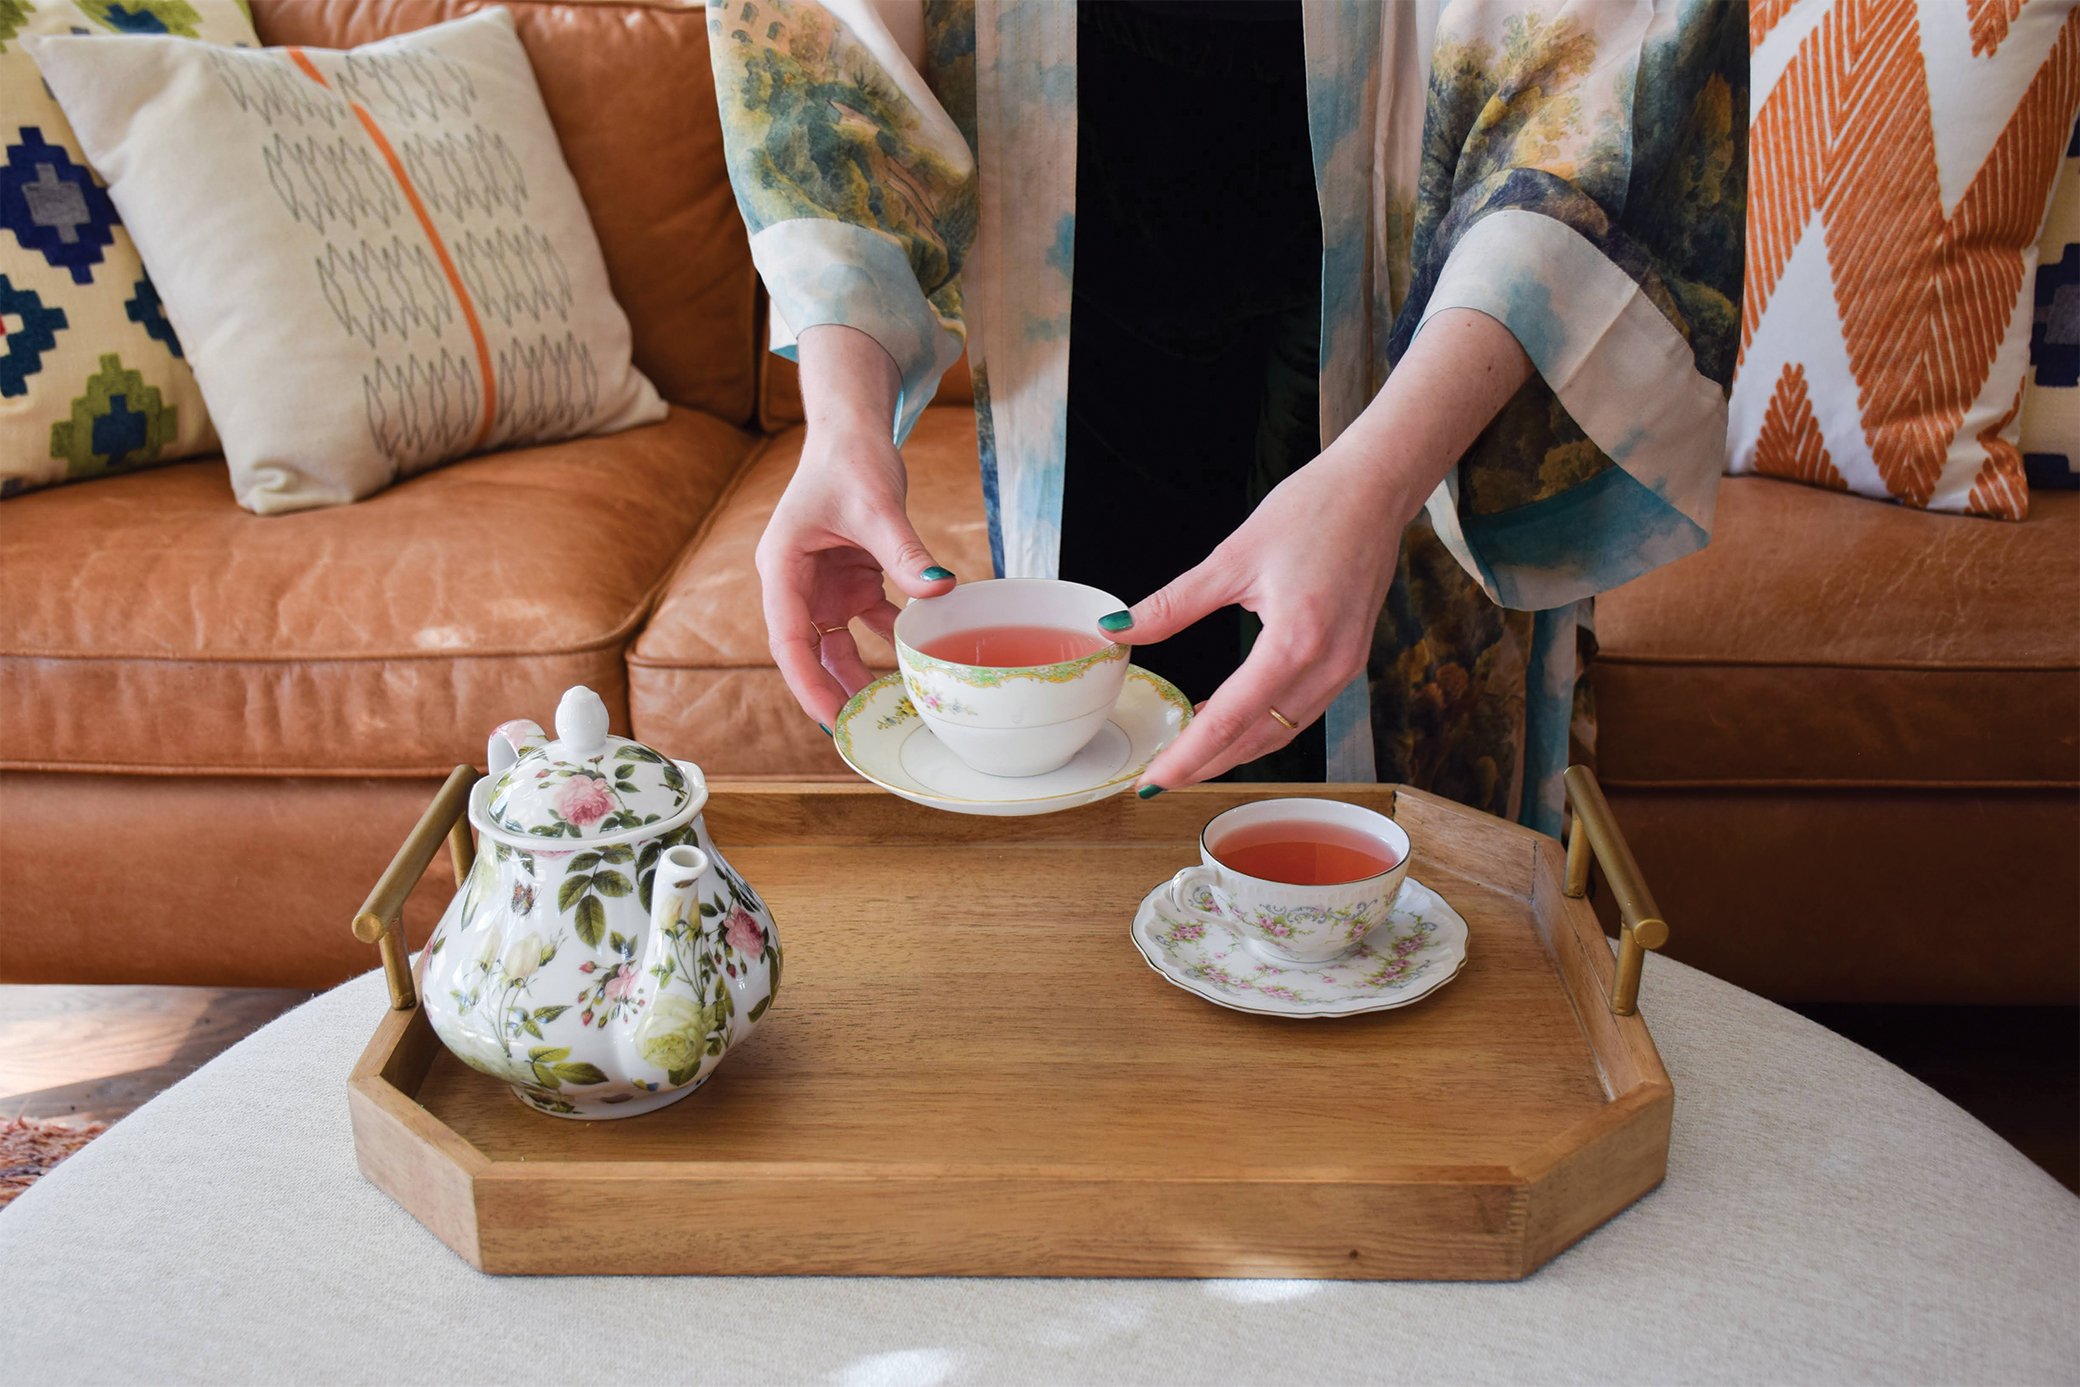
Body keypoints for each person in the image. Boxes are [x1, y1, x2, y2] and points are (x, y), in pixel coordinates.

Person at [708, 0, 1745, 835]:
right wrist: (843, 420)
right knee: (1098, 822)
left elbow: (1594, 91)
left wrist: (1379, 477)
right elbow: (819, 50)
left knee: (1401, 860)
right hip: (1082, 271)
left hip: (1430, 335)